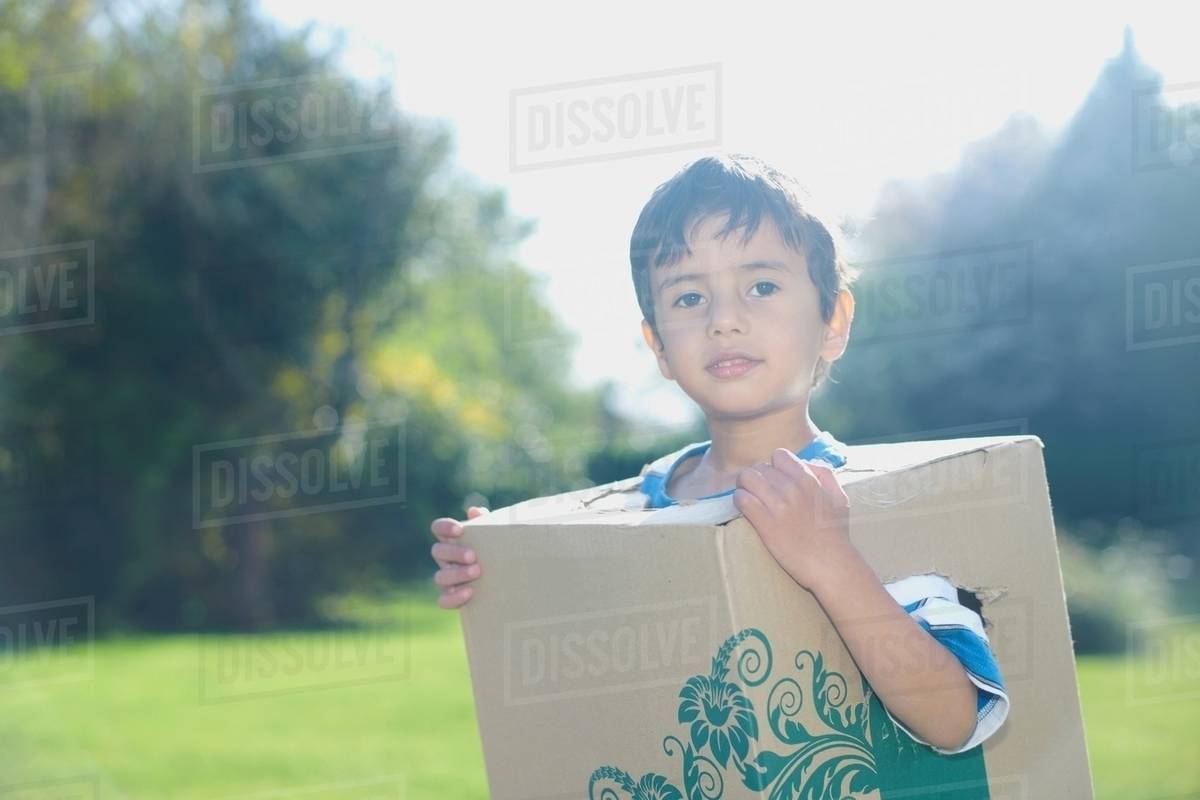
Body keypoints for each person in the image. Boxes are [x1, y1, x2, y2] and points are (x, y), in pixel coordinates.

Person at [429, 153, 1008, 754]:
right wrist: (501, 568)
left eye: (762, 286)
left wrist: (830, 559)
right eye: (687, 299)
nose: (724, 320)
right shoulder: (636, 504)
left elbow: (953, 720)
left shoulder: (876, 500)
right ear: (657, 345)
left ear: (832, 321)